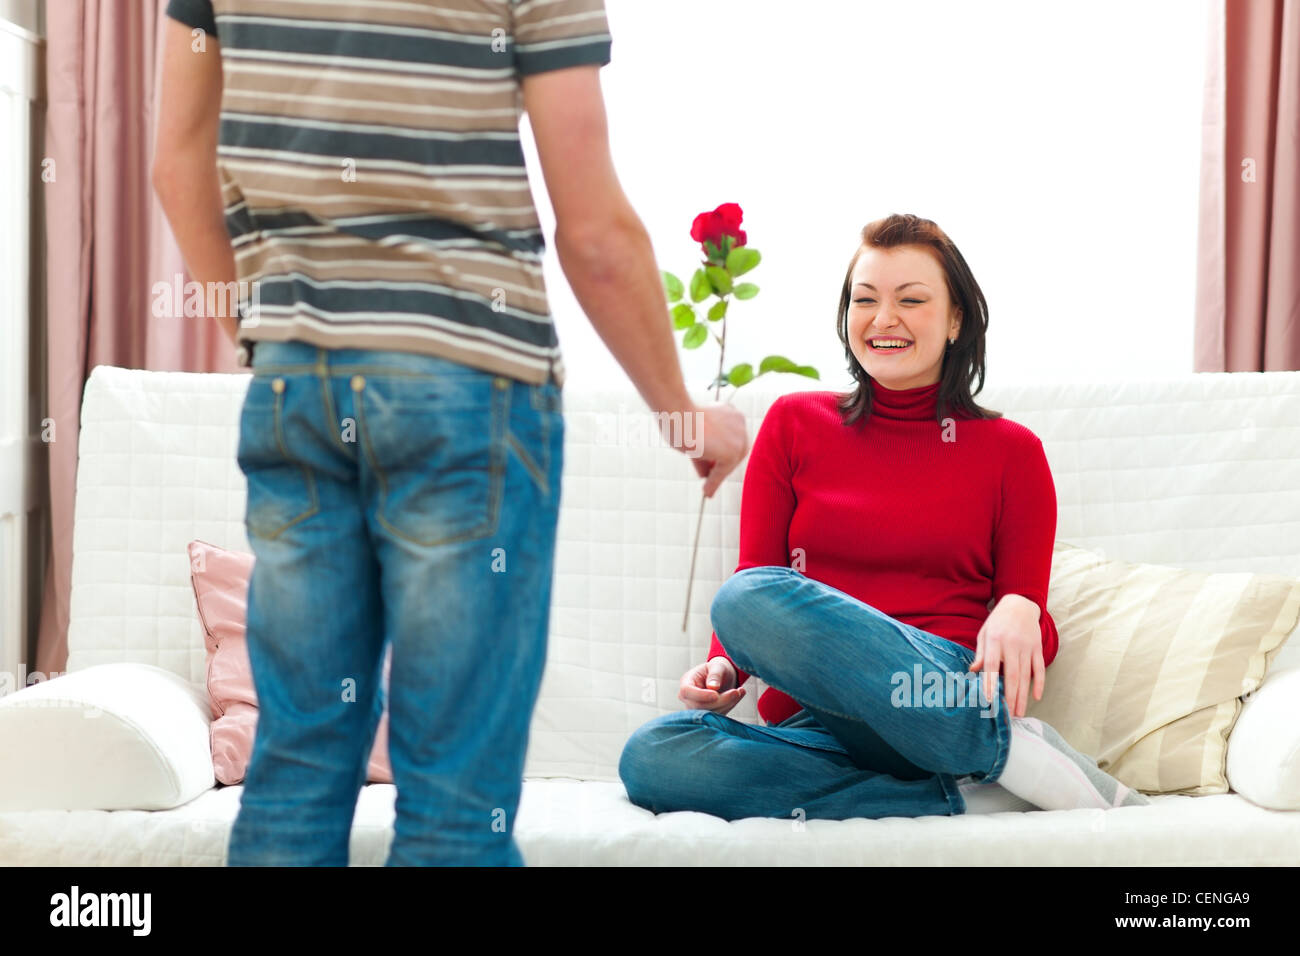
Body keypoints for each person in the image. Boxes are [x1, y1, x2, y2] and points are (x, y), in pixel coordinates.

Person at [153, 0, 748, 866]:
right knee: (455, 800)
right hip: (472, 388)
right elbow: (593, 230)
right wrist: (678, 407)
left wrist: (263, 340)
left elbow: (178, 165)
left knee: (297, 764)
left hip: (300, 387)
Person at [619, 213, 1150, 820]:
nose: (883, 318)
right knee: (655, 753)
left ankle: (987, 749)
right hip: (820, 728)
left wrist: (1023, 605)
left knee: (747, 601)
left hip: (936, 698)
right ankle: (975, 788)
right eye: (864, 299)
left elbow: (1028, 639)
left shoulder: (1013, 452)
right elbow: (758, 582)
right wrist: (723, 663)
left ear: (955, 320)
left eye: (911, 299)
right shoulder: (795, 426)